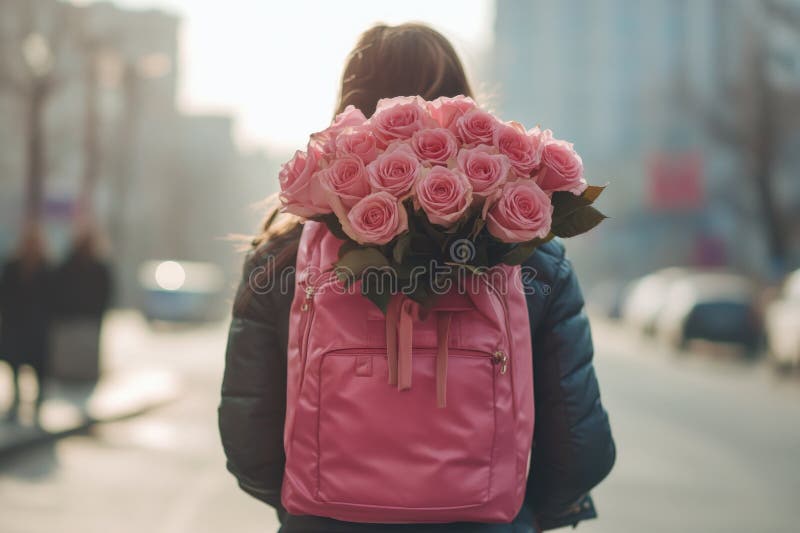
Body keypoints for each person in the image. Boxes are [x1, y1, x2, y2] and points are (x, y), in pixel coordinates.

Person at [219, 23, 615, 532]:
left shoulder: (282, 260)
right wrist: (512, 508)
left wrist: (319, 503)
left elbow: (247, 439)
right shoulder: (530, 257)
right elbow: (580, 450)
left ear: (349, 113)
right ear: (467, 110)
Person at [0, 222, 54, 424]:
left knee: (38, 367)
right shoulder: (12, 266)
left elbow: (53, 297)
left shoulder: (46, 267)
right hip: (15, 325)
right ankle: (15, 403)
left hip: (37, 326)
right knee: (14, 366)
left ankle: (37, 404)